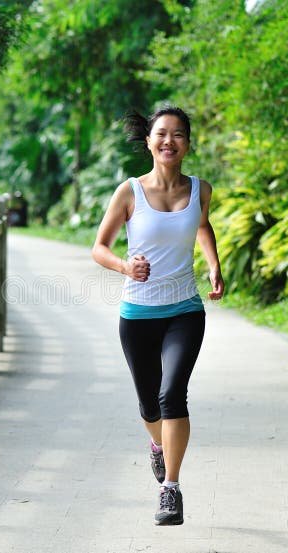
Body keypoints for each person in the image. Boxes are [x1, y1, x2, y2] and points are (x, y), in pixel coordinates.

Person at [92, 106, 224, 526]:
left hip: (185, 310)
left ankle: (171, 488)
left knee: (172, 395)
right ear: (148, 141)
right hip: (138, 314)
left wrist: (213, 264)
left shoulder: (200, 190)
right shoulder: (129, 192)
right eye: (161, 134)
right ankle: (157, 446)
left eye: (179, 135)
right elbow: (99, 247)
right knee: (150, 405)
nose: (170, 141)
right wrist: (125, 266)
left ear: (187, 143)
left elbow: (202, 226)